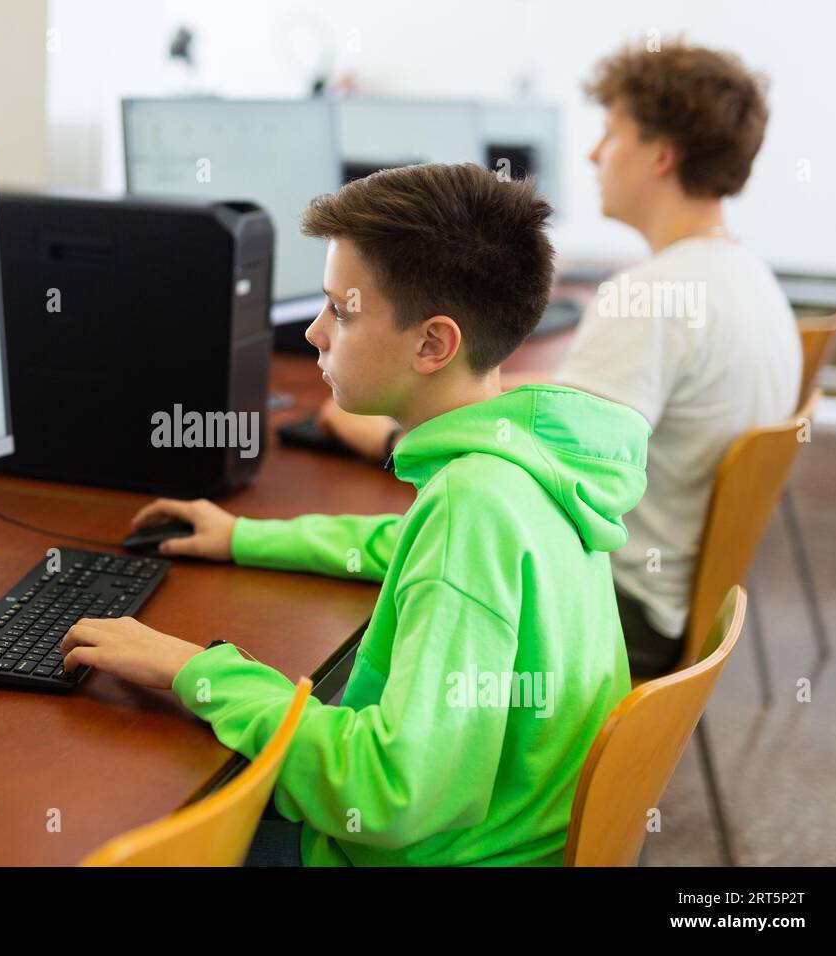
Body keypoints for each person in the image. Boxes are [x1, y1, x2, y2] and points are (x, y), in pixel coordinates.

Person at [60, 163, 648, 866]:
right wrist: (246, 536)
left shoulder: (471, 508)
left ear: (433, 343)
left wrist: (197, 670)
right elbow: (405, 545)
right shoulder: (525, 462)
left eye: (342, 310)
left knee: (140, 827)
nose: (314, 332)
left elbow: (394, 792)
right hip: (515, 837)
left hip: (435, 851)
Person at [315, 40, 801, 677]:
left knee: (333, 637)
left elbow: (542, 467)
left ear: (661, 154)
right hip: (684, 596)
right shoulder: (750, 277)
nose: (595, 153)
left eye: (612, 132)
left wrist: (384, 426)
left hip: (624, 607)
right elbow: (574, 419)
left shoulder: (650, 297)